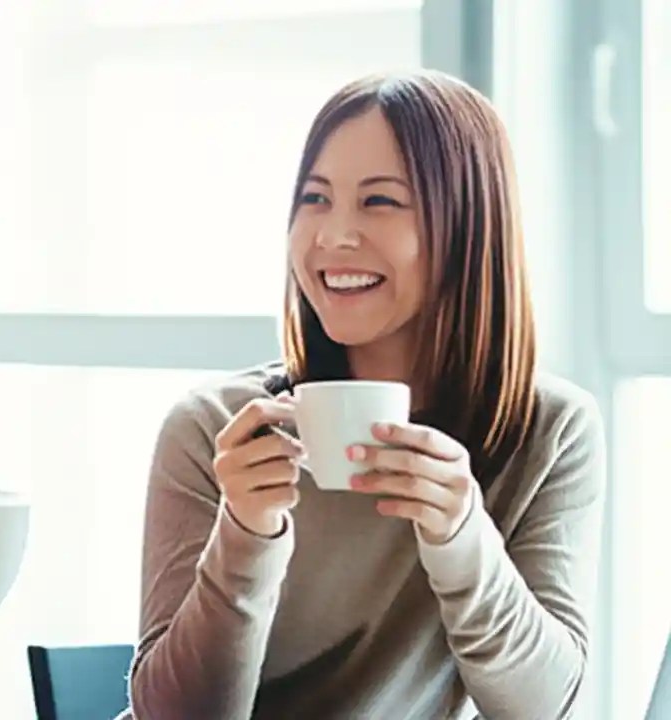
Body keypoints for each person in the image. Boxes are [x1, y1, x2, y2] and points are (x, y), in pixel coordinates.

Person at [124, 70, 606, 719]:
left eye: (379, 202)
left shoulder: (548, 431)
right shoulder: (216, 428)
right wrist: (245, 533)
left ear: (468, 225)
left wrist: (463, 537)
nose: (333, 236)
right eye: (315, 198)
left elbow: (544, 708)